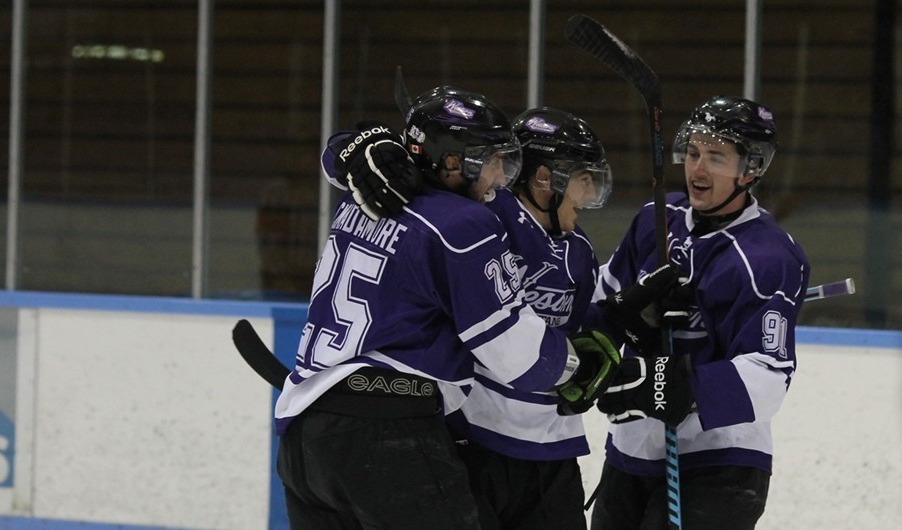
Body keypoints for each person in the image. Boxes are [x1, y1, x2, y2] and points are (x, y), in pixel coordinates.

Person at [273, 86, 625, 529]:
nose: (501, 178)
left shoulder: (364, 198)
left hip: (301, 431)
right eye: (493, 160)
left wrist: (357, 146)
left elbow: (342, 158)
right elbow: (519, 356)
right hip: (389, 433)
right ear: (454, 163)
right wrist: (582, 365)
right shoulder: (464, 223)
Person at [588, 96, 811, 529]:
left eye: (716, 157)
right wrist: (626, 316)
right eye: (692, 153)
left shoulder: (767, 257)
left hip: (719, 461)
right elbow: (602, 302)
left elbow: (769, 374)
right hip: (632, 450)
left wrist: (681, 384)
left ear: (751, 169)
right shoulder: (657, 220)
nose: (698, 169)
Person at [444, 107, 614, 529]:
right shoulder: (487, 217)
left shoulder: (579, 251)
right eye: (583, 178)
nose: (590, 193)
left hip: (551, 449)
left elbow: (574, 339)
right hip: (474, 440)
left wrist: (624, 317)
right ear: (544, 178)